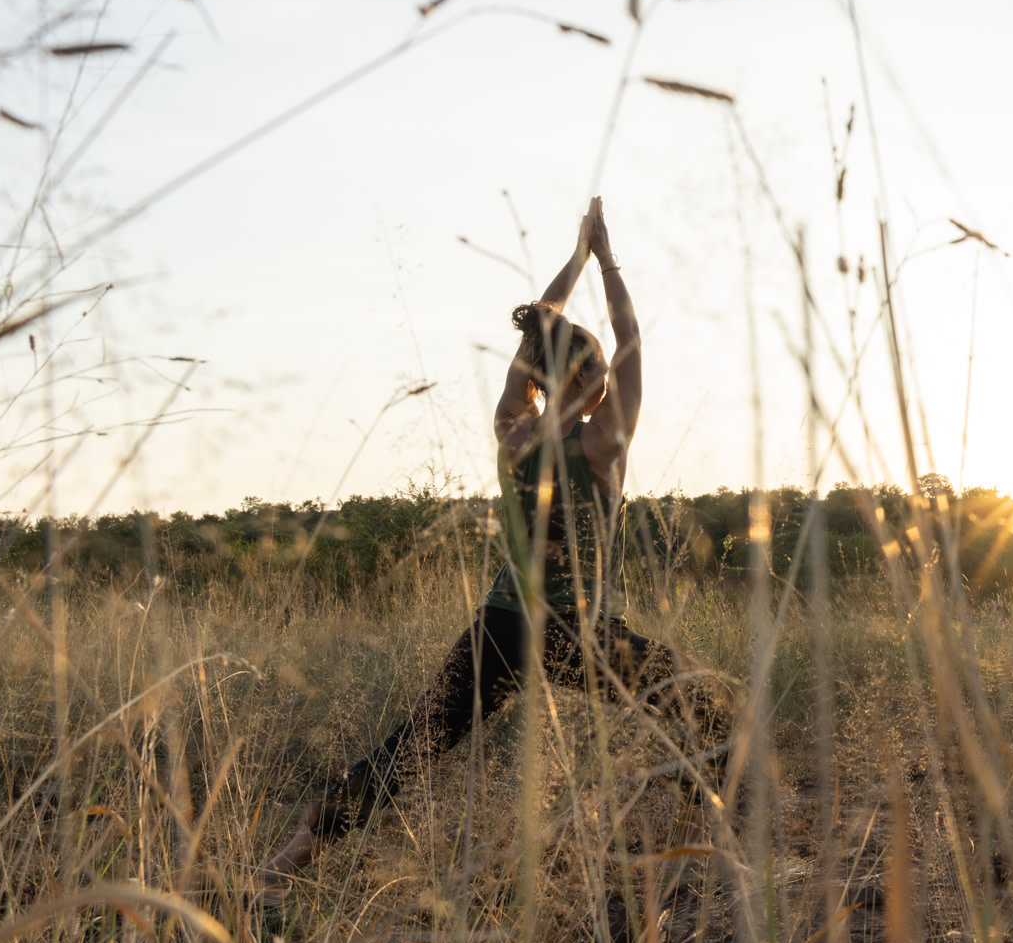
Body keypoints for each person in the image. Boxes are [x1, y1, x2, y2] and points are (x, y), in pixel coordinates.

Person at [259, 197, 723, 899]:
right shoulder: (600, 444)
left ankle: (289, 858)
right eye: (594, 374)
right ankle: (695, 838)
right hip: (576, 632)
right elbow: (631, 340)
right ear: (580, 382)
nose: (605, 383)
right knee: (710, 704)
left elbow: (539, 338)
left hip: (502, 625)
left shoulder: (515, 431)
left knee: (409, 750)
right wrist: (605, 259)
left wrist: (573, 261)